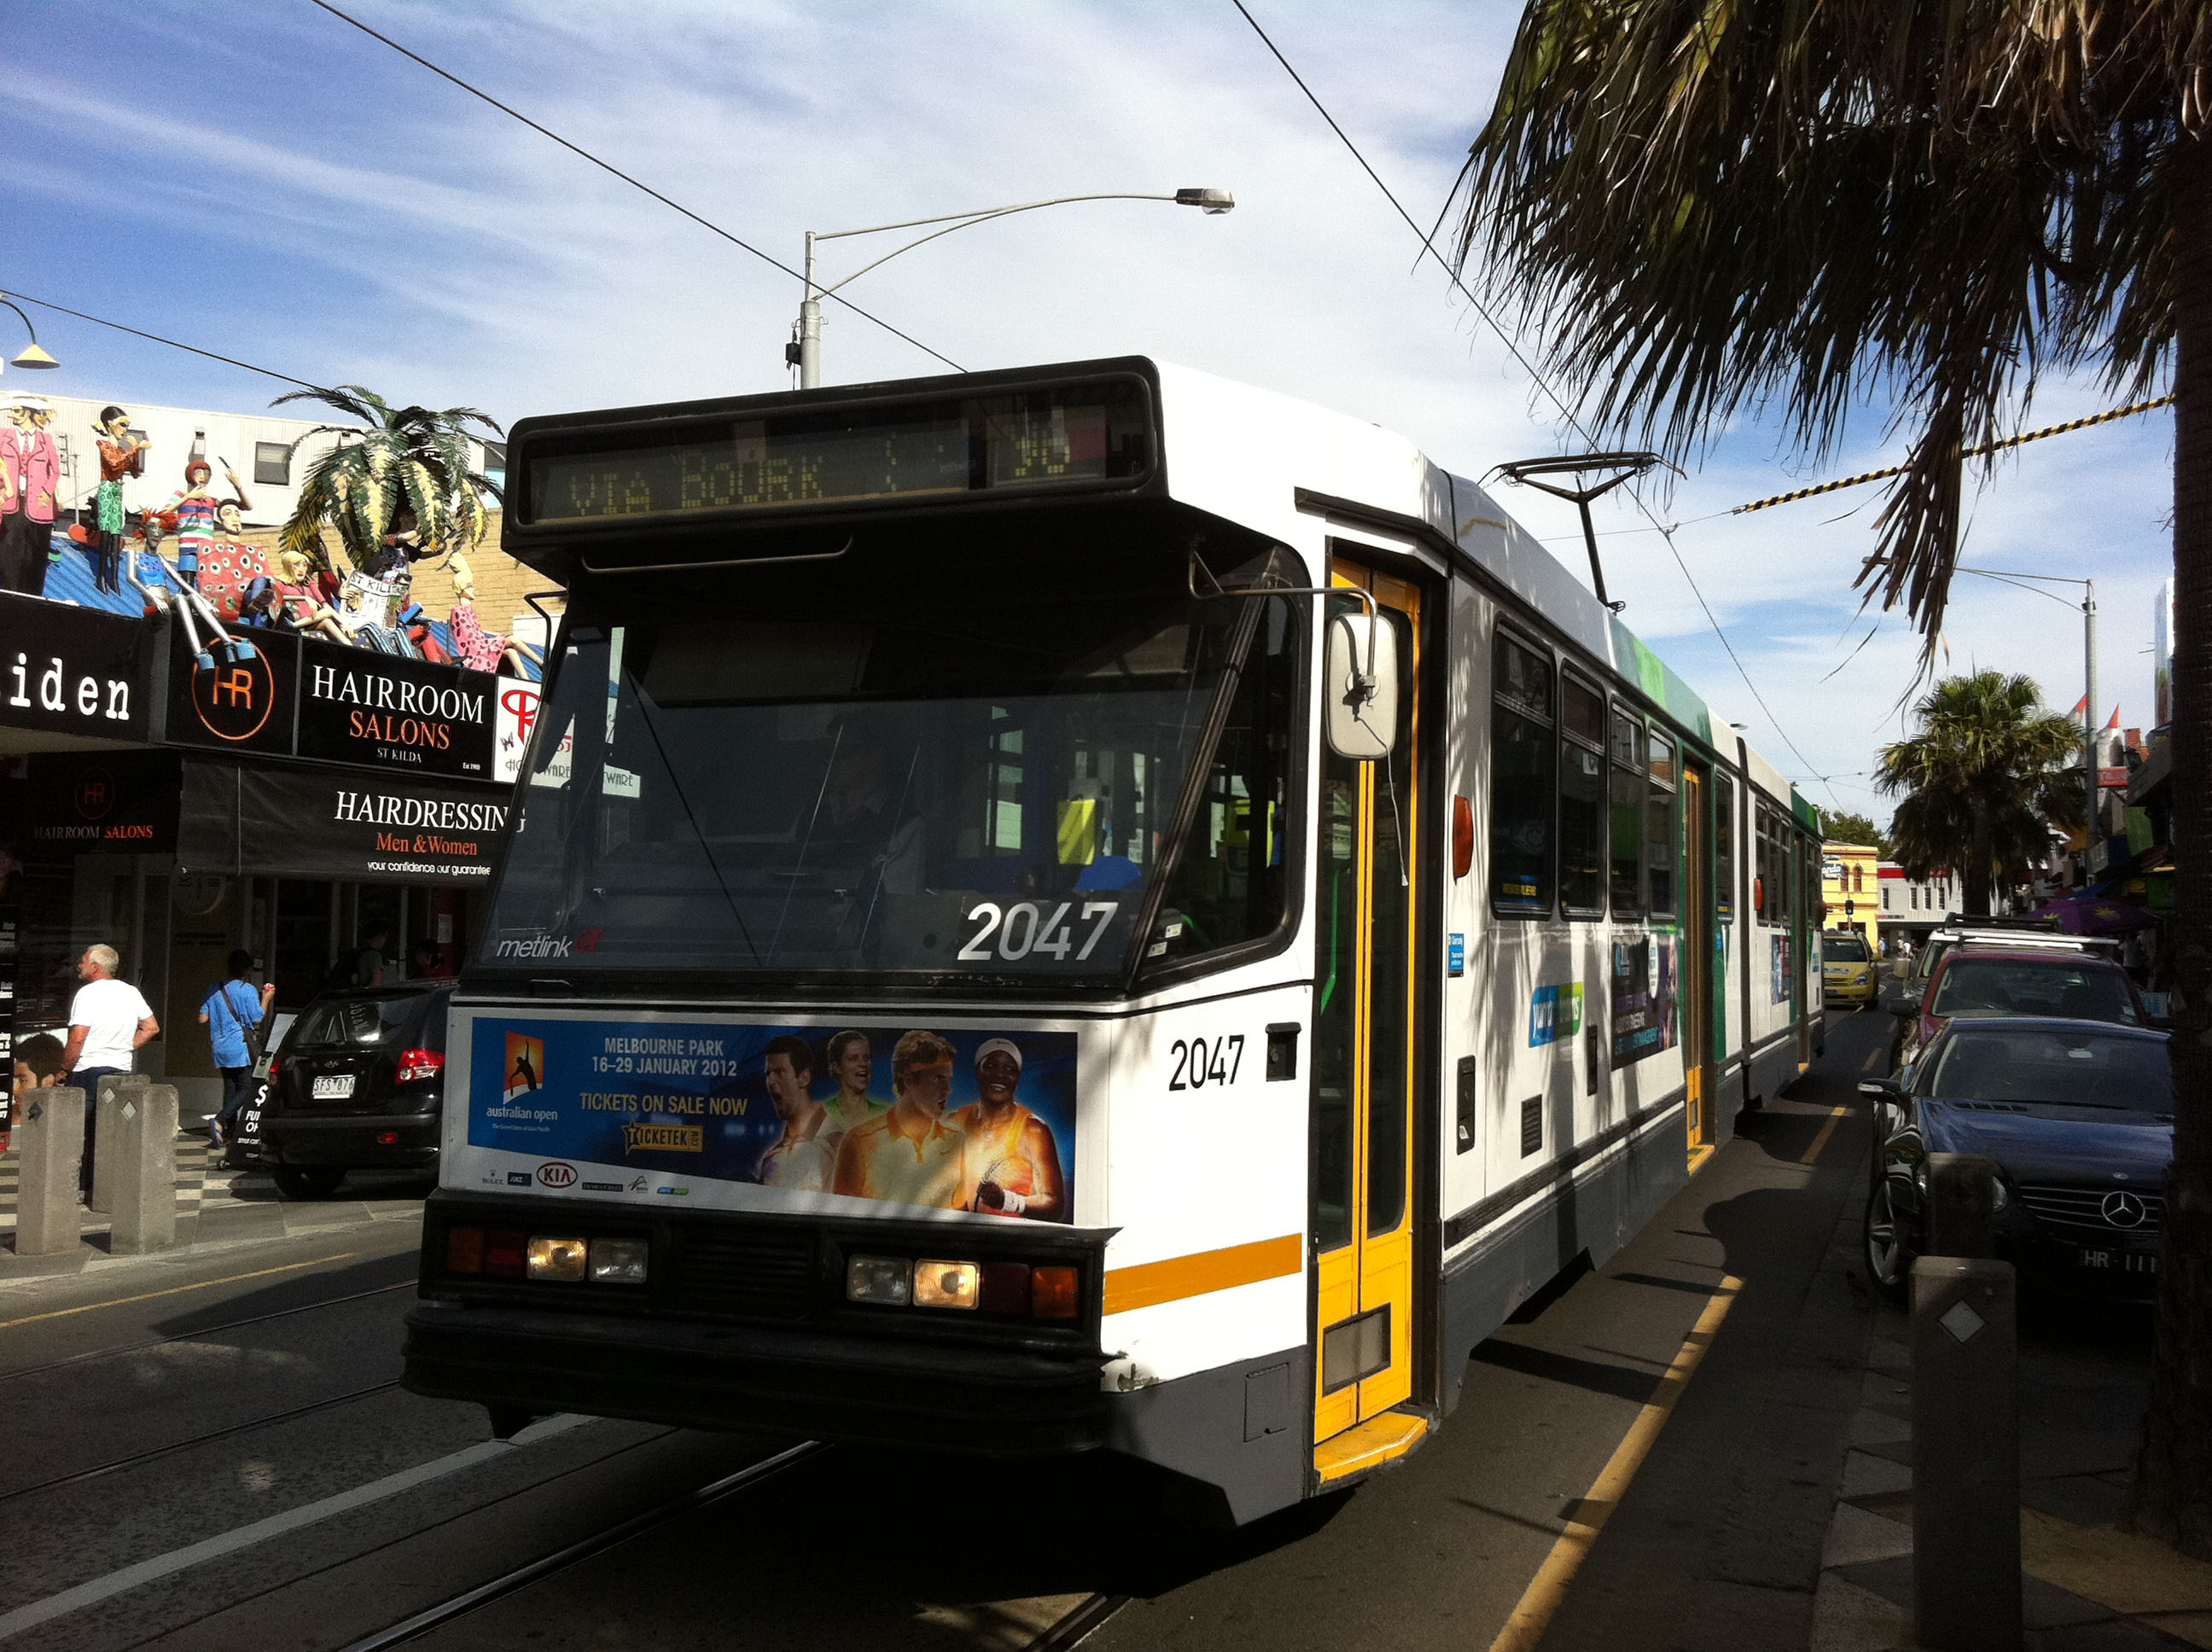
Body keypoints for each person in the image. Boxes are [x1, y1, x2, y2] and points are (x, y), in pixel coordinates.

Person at [831, 1030, 972, 1209]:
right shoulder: (860, 1142)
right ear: (908, 1079)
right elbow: (842, 1217)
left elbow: (960, 1214)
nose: (948, 1089)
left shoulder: (957, 1140)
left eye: (949, 1079)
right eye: (938, 1078)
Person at [60, 945, 159, 1198]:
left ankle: (74, 1185)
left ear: (96, 966)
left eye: (83, 961)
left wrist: (64, 1069)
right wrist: (125, 1046)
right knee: (107, 1131)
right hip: (120, 1070)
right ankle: (103, 1187)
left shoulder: (88, 994)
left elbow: (78, 1037)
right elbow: (151, 1027)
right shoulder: (131, 992)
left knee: (75, 1130)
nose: (78, 965)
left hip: (88, 1070)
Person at [946, 1038, 1067, 1221]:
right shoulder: (955, 1120)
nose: (1000, 1075)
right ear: (978, 1071)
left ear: (1017, 1079)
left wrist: (1007, 1201)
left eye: (1009, 1070)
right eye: (991, 1065)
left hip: (1008, 1242)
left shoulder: (1033, 1130)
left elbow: (1054, 1204)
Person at [200, 949, 276, 1146]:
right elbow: (258, 1017)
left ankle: (227, 1132)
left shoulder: (213, 989)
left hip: (220, 1046)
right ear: (248, 970)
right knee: (247, 1087)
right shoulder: (248, 990)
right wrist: (266, 998)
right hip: (240, 1047)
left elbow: (202, 1018)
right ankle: (220, 1120)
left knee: (230, 1089)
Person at [154, 459, 250, 592]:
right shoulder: (181, 495)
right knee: (186, 584)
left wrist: (238, 486)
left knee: (205, 585)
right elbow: (163, 513)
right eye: (198, 472)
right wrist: (188, 497)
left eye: (206, 473)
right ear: (190, 475)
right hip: (188, 548)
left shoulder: (211, 500)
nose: (202, 476)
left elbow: (247, 506)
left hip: (207, 550)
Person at [754, 1035, 835, 1192]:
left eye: (779, 1072)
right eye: (768, 1074)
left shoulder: (835, 1141)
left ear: (804, 1078)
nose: (771, 1081)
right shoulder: (771, 1157)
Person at [0, 396, 61, 596]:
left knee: (35, 556)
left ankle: (33, 598)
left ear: (28, 412)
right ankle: (10, 595)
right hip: (11, 504)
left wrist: (46, 492)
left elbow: (55, 471)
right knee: (9, 554)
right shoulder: (3, 436)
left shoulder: (46, 439)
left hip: (38, 506)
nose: (11, 415)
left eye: (17, 411)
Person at [91, 407, 148, 596]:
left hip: (118, 489)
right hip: (107, 488)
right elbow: (114, 463)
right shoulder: (104, 444)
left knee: (117, 531)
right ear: (110, 424)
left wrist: (136, 452)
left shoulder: (122, 449)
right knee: (107, 530)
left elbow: (134, 472)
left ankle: (114, 577)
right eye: (122, 425)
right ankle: (101, 576)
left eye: (126, 426)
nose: (125, 429)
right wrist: (135, 448)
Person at [818, 1030, 888, 1160]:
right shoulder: (823, 1112)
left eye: (866, 1058)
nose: (863, 1064)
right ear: (837, 1067)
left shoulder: (885, 1114)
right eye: (853, 1058)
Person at [9, 1032, 68, 1156]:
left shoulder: (63, 1121)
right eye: (14, 1080)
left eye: (22, 1080)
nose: (14, 1089)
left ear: (49, 1081)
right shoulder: (14, 1113)